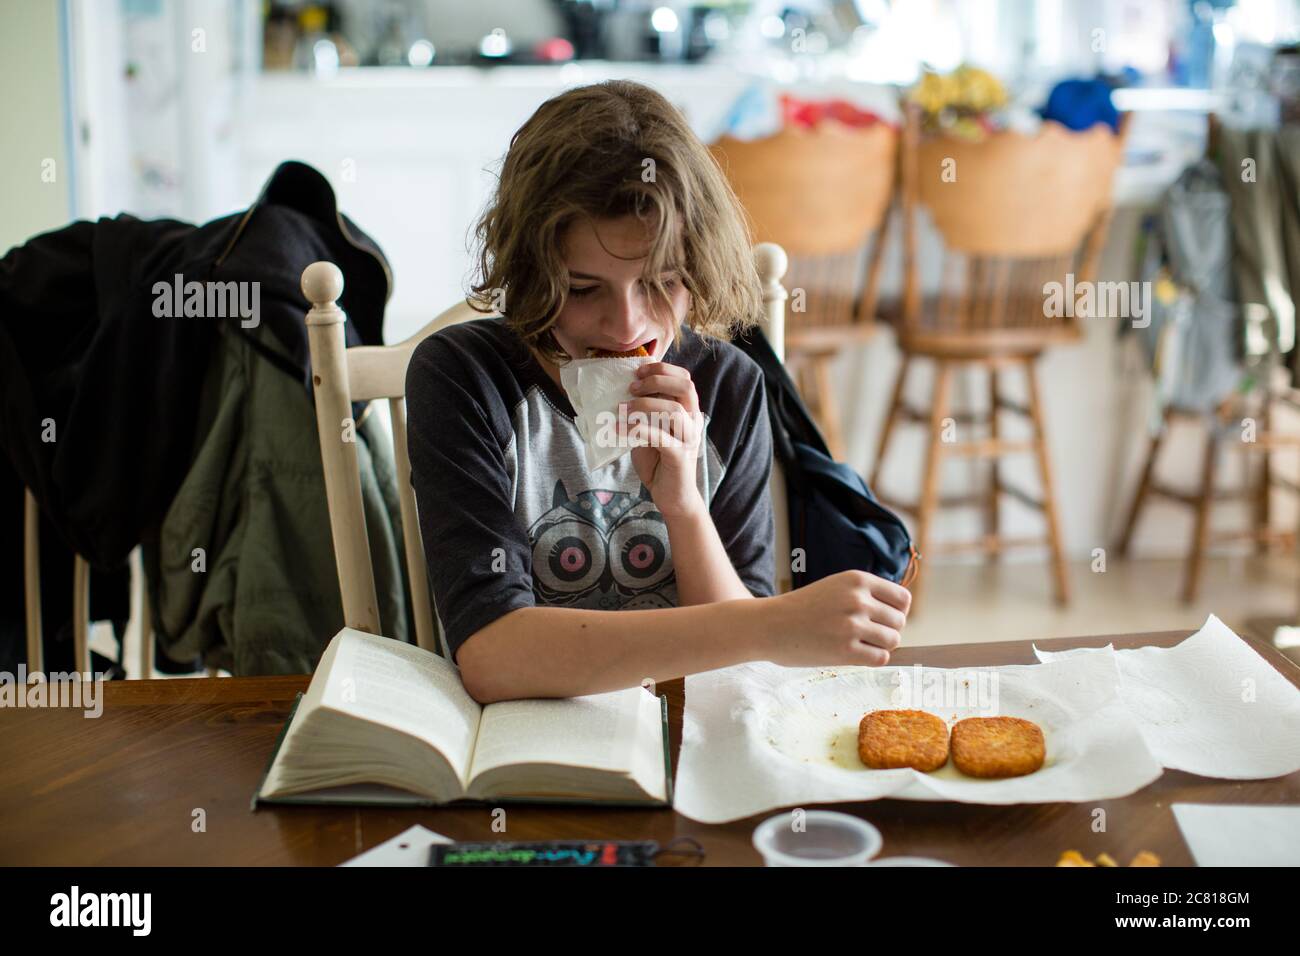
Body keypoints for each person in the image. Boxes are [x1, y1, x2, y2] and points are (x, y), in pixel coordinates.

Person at [407, 80, 910, 703]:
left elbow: (735, 668)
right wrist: (773, 624)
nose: (626, 326)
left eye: (661, 282)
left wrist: (683, 505)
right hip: (524, 742)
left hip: (688, 728)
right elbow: (491, 657)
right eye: (583, 288)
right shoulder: (462, 376)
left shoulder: (728, 384)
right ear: (531, 274)